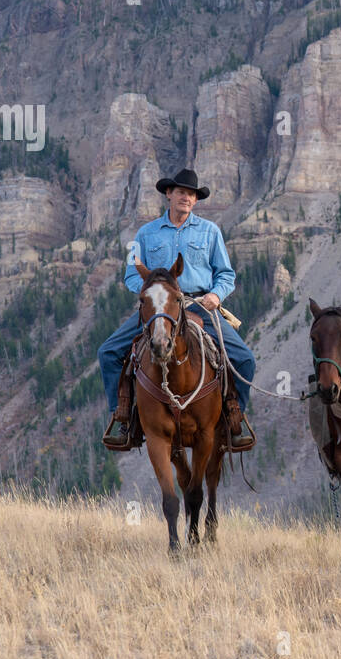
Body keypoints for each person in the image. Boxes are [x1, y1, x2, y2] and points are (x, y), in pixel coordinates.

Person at [98, 169, 255, 451]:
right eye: (181, 192)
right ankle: (122, 416)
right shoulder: (145, 234)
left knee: (244, 360)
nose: (186, 197)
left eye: (192, 194)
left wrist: (216, 296)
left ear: (196, 200)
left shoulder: (210, 231)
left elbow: (226, 275)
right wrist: (153, 294)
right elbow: (131, 275)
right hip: (159, 307)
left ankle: (235, 418)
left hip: (199, 305)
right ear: (168, 194)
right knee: (108, 352)